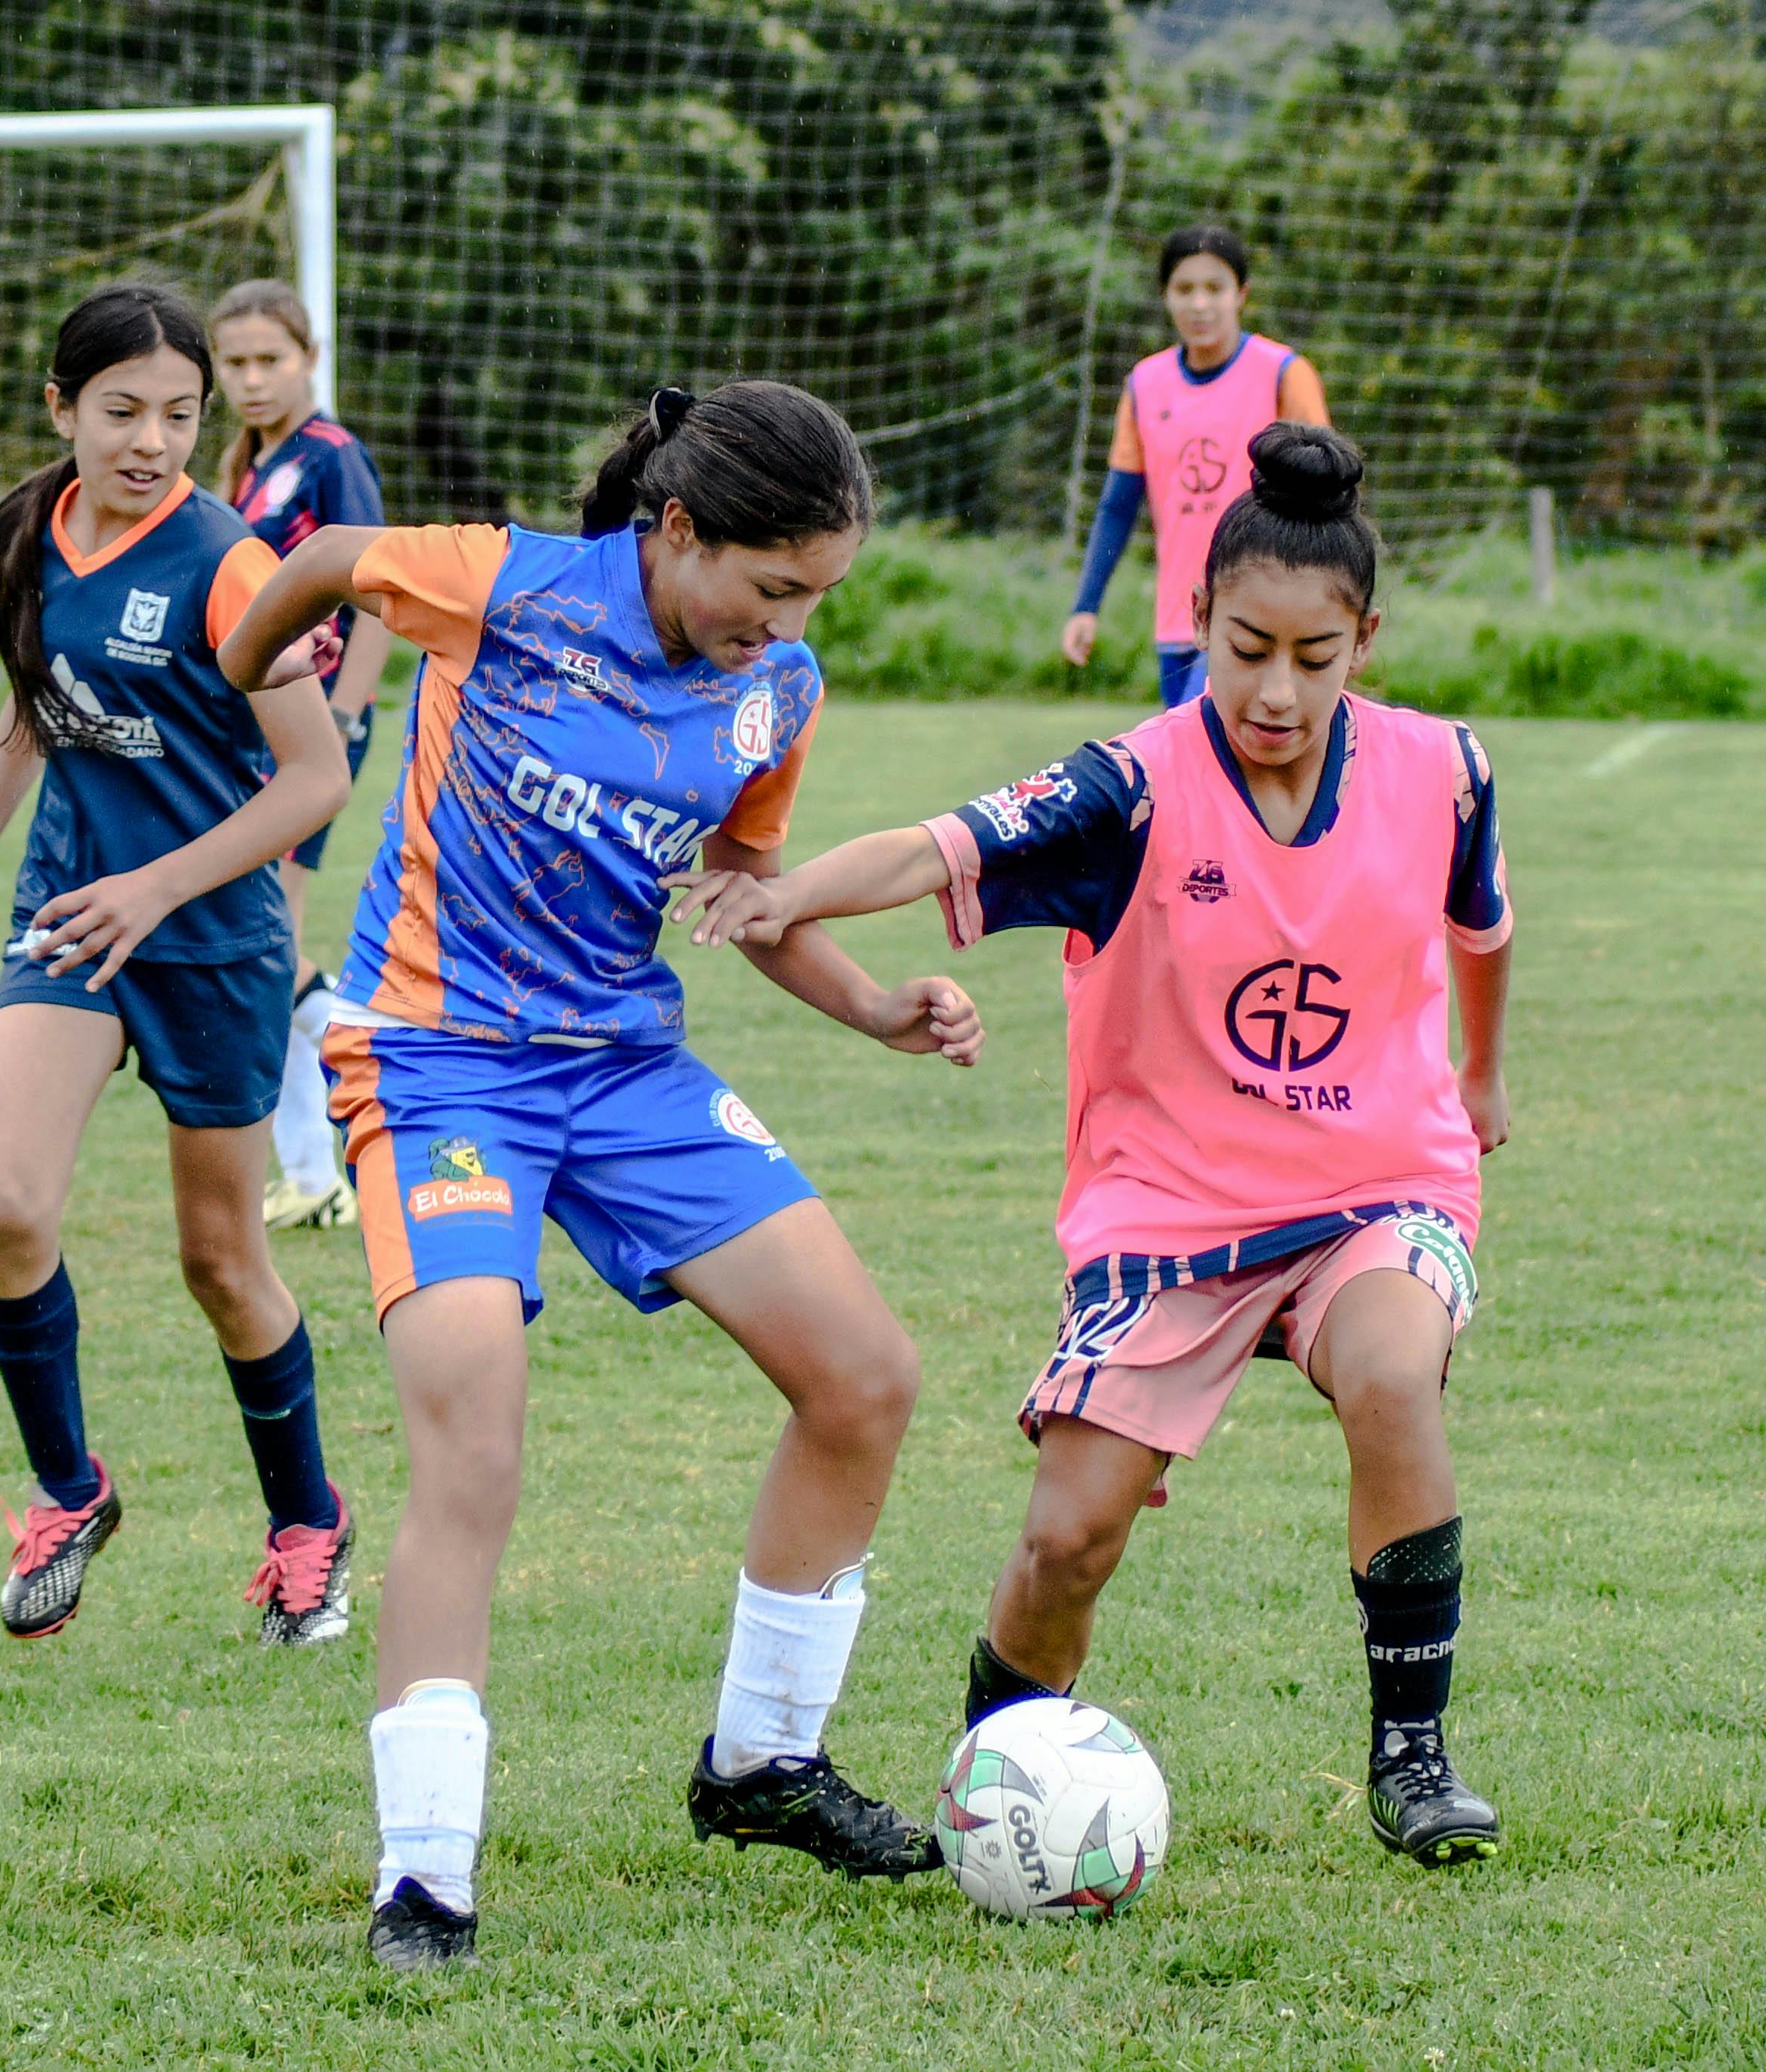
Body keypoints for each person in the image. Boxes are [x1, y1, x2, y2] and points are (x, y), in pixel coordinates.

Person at [217, 381, 985, 1971]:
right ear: (676, 528)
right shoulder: (508, 585)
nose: (783, 625)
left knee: (862, 1376)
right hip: (434, 1060)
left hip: (622, 1070)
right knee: (472, 1437)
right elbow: (322, 560)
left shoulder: (776, 692)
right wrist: (241, 682)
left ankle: (761, 1762)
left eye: (814, 600)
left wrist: (879, 1011)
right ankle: (423, 1877)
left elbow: (743, 894)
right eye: (769, 588)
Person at [672, 423, 1514, 1869]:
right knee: (1069, 1541)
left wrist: (1480, 1079)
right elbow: (936, 845)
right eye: (1245, 647)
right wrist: (783, 890)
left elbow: (1479, 926)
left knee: (1390, 1373)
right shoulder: (1125, 789)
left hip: (1379, 1183)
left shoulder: (1443, 770)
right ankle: (992, 1785)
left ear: (1363, 639)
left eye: (1315, 658)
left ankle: (1414, 1755)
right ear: (1198, 622)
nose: (1273, 688)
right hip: (1168, 1211)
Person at [0, 283, 360, 1653]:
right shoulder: (25, 536)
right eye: (122, 412)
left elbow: (315, 776)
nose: (151, 441)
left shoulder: (229, 565)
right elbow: (29, 703)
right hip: (65, 912)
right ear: (61, 409)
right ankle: (67, 1494)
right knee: (4, 1207)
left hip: (209, 940)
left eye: (178, 415)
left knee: (220, 1262)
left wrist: (158, 887)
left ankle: (307, 1529)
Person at [207, 279, 395, 1233]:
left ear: (308, 359)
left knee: (266, 942)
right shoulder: (251, 466)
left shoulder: (330, 458)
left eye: (268, 360)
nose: (250, 379)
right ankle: (313, 1173)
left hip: (309, 740)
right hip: (254, 736)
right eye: (233, 363)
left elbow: (376, 593)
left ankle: (371, 1079)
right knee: (261, 945)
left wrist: (348, 716)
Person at [1061, 224, 1331, 709]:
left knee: (1206, 751)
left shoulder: (1284, 374)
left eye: (1215, 288)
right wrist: (1086, 606)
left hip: (1263, 615)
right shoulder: (1146, 385)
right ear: (1165, 296)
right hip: (1180, 619)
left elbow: (1331, 495)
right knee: (1201, 770)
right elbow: (1118, 507)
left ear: (1241, 294)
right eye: (1185, 289)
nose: (1199, 304)